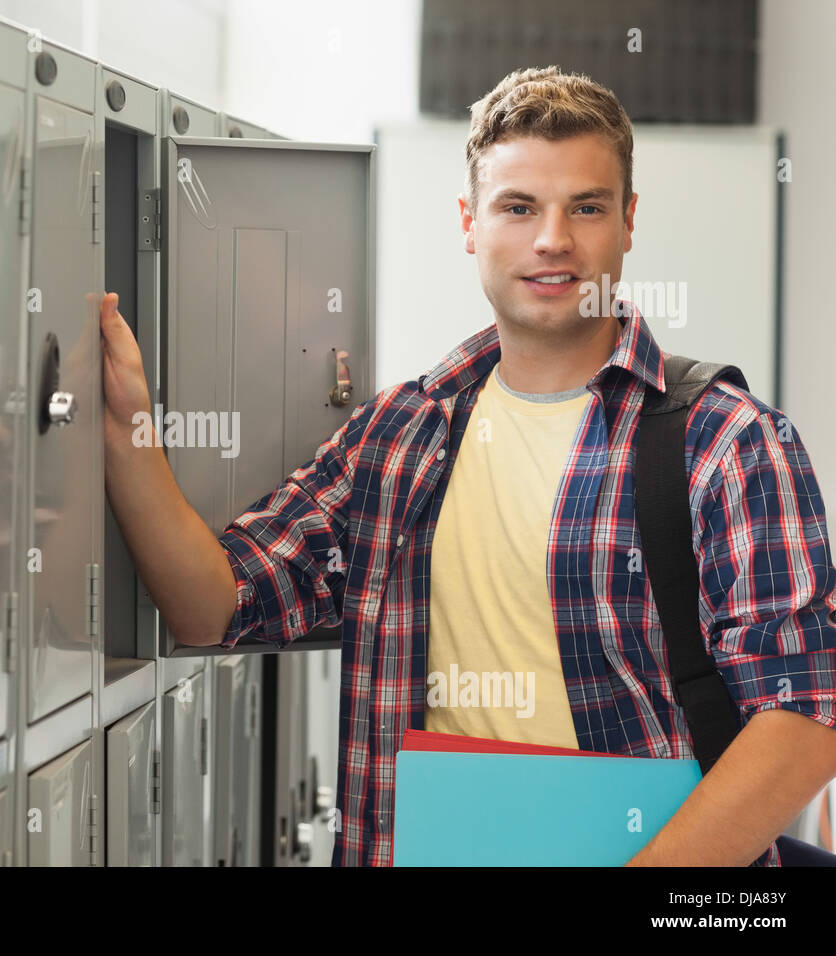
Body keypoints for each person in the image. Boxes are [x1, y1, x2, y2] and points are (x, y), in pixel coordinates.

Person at [101, 65, 836, 867]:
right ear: (470, 222)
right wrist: (125, 428)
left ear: (628, 222)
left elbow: (804, 719)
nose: (552, 238)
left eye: (585, 207)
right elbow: (215, 606)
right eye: (518, 207)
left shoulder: (727, 440)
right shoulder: (397, 435)